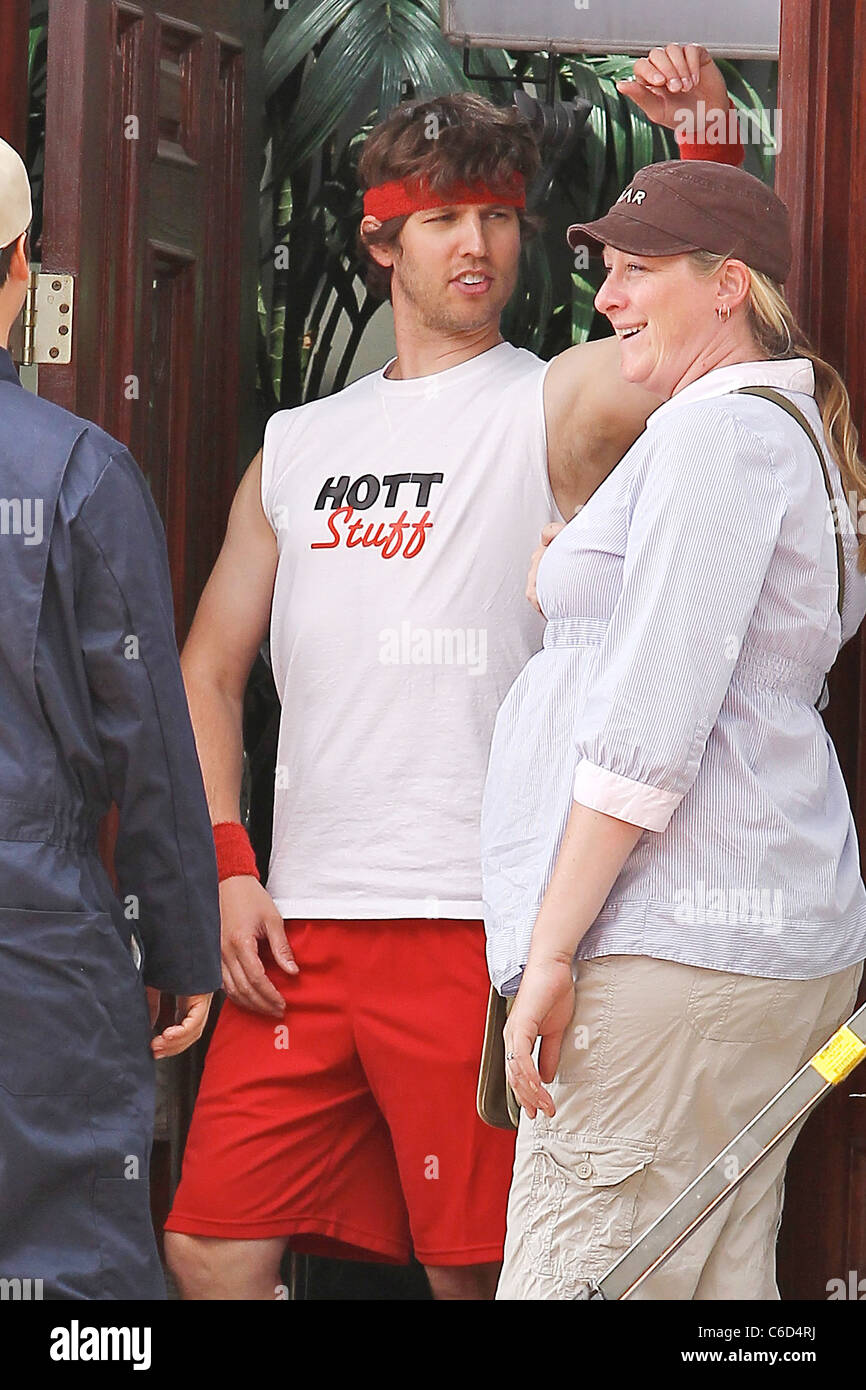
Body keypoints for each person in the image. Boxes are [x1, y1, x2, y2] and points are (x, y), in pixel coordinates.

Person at [162, 49, 741, 1300]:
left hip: (471, 921)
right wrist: (227, 863)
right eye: (440, 219)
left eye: (495, 216)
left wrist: (706, 154)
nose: (474, 244)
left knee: (478, 1270)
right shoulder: (296, 446)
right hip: (300, 922)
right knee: (208, 1240)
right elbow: (207, 670)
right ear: (385, 241)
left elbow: (709, 341)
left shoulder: (552, 404)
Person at [481, 156, 866, 1299]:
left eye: (637, 270)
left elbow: (651, 720)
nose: (606, 295)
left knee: (577, 1275)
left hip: (672, 941)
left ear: (726, 285)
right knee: (711, 1292)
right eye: (607, 269)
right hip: (757, 942)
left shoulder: (713, 438)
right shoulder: (774, 432)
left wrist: (548, 953)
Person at [0, 138, 222, 1299]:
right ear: (20, 271)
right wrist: (181, 942)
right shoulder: (76, 469)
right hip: (32, 941)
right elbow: (147, 733)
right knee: (69, 1277)